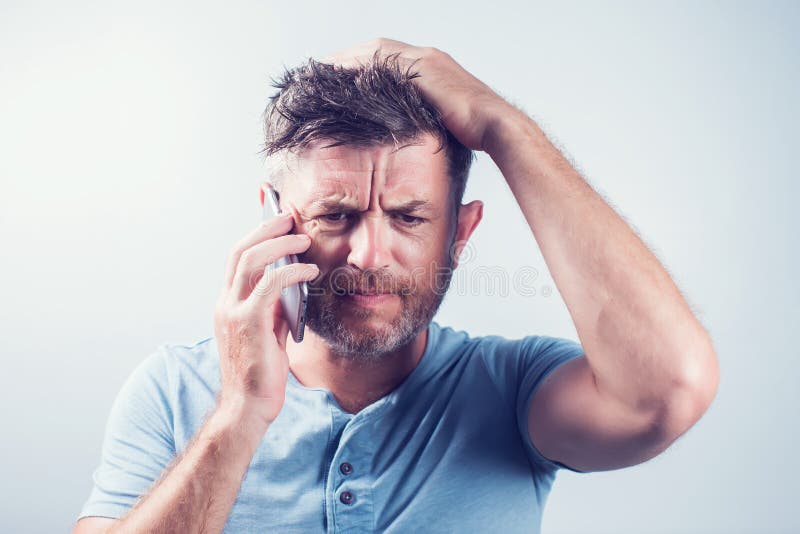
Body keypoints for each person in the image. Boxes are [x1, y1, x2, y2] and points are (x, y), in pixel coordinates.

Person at [73, 38, 719, 534]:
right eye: (335, 214)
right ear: (272, 217)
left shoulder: (512, 390)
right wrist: (241, 413)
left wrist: (500, 126)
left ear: (460, 235)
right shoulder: (173, 394)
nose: (370, 254)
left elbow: (670, 389)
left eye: (410, 218)